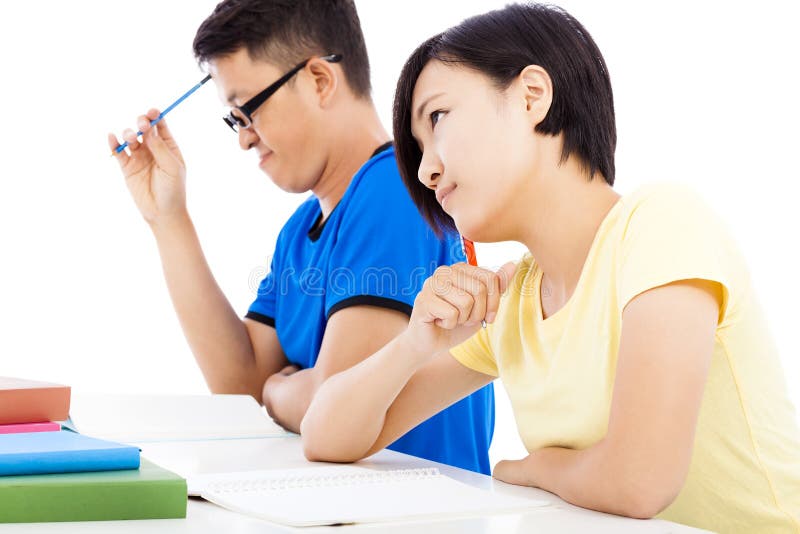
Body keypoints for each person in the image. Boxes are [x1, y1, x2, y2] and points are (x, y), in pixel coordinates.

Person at [300, 3, 800, 532]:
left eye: (438, 118)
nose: (426, 170)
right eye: (417, 150)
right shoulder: (513, 301)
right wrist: (414, 344)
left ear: (531, 96)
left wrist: (532, 468)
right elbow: (325, 437)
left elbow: (638, 482)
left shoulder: (659, 222)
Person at [107, 0, 494, 475]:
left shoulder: (393, 191)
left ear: (319, 79)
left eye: (246, 111)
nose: (244, 139)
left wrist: (277, 390)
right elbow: (241, 386)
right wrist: (169, 220)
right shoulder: (299, 230)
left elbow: (325, 402)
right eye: (233, 120)